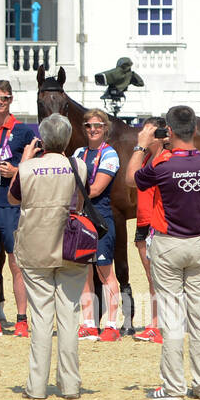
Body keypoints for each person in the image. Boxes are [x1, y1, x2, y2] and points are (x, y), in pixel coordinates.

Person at [125, 105, 200, 400]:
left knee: (171, 315)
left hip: (169, 243)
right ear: (194, 129)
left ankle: (173, 386)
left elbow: (132, 179)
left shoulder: (162, 166)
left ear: (168, 131)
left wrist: (143, 145)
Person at [7, 113, 88, 399]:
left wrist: (25, 162)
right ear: (66, 139)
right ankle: (70, 385)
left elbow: (13, 199)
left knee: (41, 317)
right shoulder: (78, 164)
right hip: (71, 246)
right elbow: (82, 195)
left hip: (36, 246)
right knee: (69, 316)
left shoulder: (29, 168)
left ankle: (37, 386)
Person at [0, 80, 35, 337]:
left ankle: (22, 319)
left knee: (16, 264)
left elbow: (37, 168)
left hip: (12, 205)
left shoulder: (24, 132)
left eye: (3, 98)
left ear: (11, 99)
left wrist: (17, 171)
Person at [72, 108, 122, 342]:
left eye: (98, 126)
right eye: (89, 126)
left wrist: (71, 195)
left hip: (100, 217)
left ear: (105, 129)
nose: (93, 130)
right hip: (80, 217)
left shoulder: (110, 154)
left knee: (105, 272)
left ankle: (112, 324)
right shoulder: (79, 152)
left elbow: (96, 189)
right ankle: (89, 323)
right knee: (84, 272)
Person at [130, 115, 169, 344]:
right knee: (151, 276)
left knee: (159, 277)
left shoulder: (163, 159)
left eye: (150, 132)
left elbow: (131, 179)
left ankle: (160, 324)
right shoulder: (148, 160)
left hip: (156, 224)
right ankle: (155, 323)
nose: (145, 136)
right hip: (144, 222)